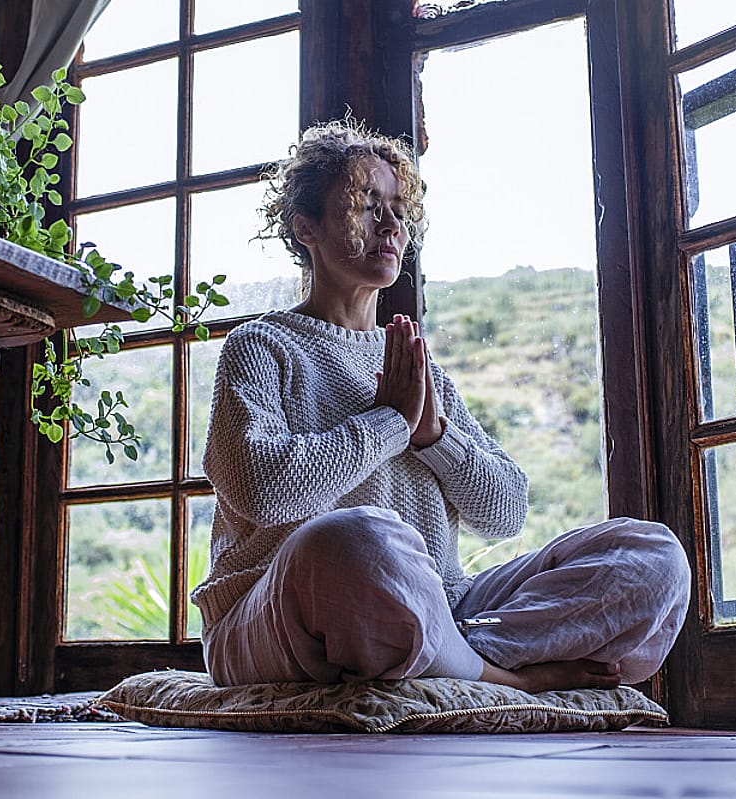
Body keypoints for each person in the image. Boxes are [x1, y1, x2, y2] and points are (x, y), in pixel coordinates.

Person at [189, 118, 691, 693]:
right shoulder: (262, 346)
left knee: (651, 556)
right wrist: (391, 423)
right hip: (276, 615)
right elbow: (264, 490)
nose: (390, 223)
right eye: (365, 204)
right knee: (351, 540)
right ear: (307, 228)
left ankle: (451, 657)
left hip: (440, 608)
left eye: (398, 207)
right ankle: (506, 677)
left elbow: (506, 514)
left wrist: (434, 438)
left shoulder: (420, 372)